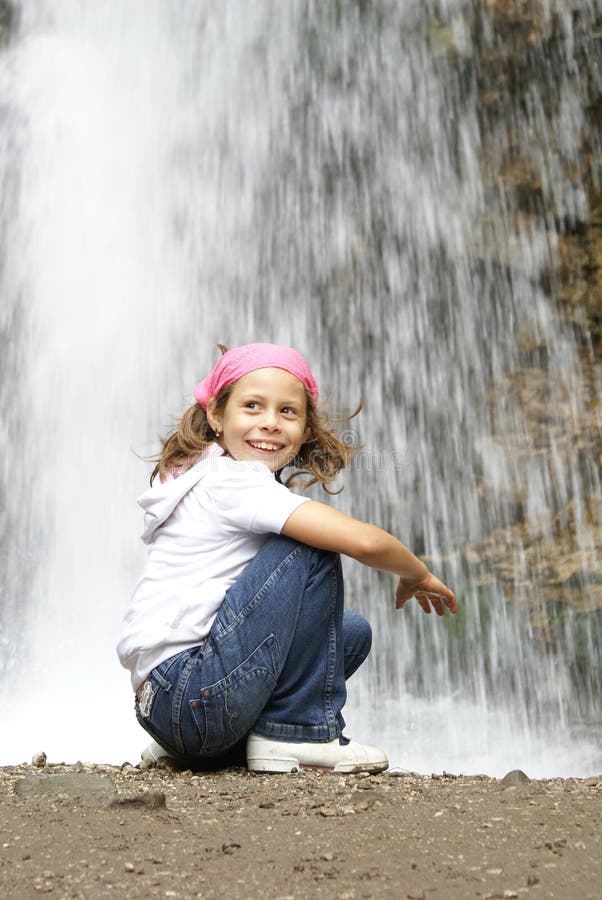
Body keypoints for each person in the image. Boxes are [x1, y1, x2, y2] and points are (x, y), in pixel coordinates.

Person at [117, 342, 457, 774]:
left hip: (166, 708)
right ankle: (294, 732)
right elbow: (364, 543)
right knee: (311, 540)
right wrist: (417, 572)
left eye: (287, 412)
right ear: (217, 416)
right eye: (253, 406)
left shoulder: (202, 472)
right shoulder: (235, 483)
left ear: (306, 430)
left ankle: (231, 743)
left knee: (347, 632)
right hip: (195, 695)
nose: (270, 423)